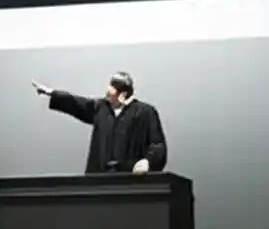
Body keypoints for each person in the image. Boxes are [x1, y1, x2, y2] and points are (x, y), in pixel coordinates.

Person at [32, 72, 167, 175]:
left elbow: (157, 144)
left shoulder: (145, 112)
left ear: (123, 94)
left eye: (113, 88)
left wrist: (148, 162)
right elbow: (75, 103)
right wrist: (51, 93)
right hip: (99, 177)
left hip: (130, 180)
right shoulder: (101, 108)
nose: (107, 91)